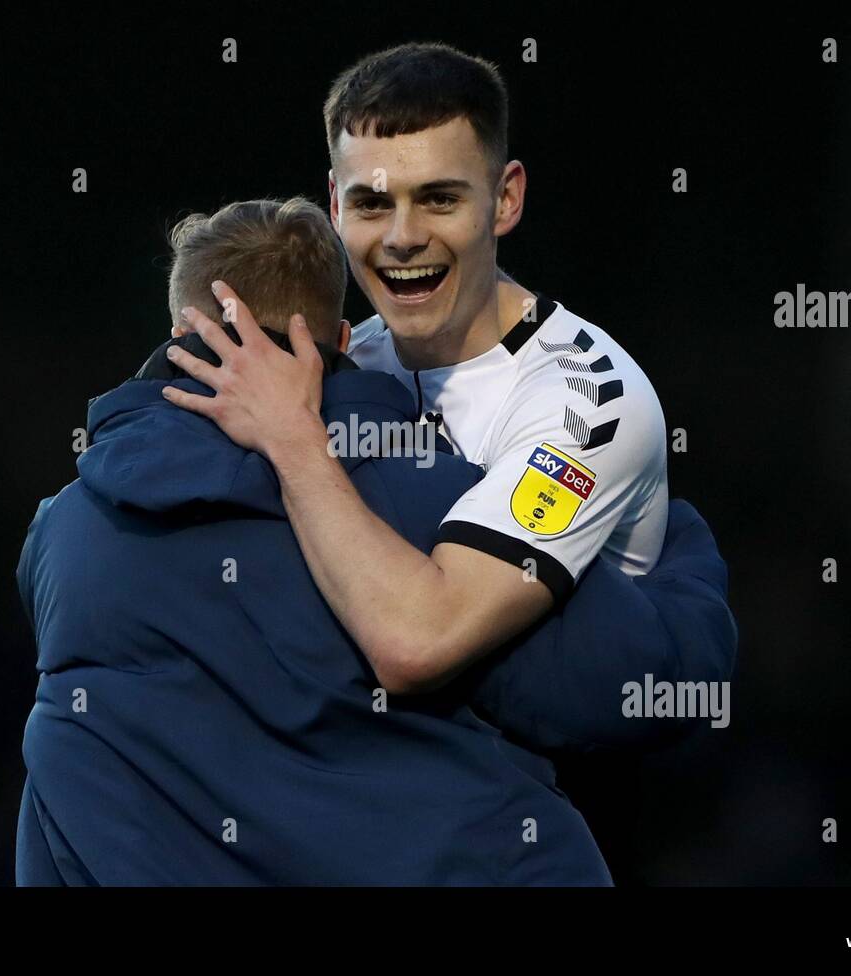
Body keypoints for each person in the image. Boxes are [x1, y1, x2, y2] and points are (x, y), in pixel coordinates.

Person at [16, 198, 736, 885]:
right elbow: (634, 688)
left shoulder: (66, 534)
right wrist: (672, 540)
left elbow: (62, 791)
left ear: (181, 330)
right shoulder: (420, 501)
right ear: (340, 341)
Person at [165, 42, 671, 696]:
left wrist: (292, 440)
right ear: (336, 207)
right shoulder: (336, 361)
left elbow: (416, 645)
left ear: (505, 199)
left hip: (548, 789)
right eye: (373, 204)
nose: (403, 236)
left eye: (439, 199)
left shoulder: (594, 403)